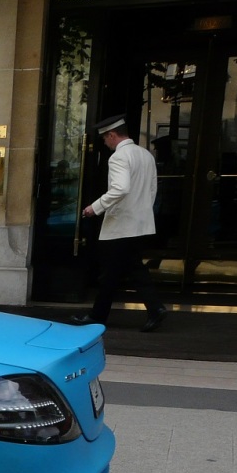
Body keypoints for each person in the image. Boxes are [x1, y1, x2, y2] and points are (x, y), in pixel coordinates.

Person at [74, 114, 168, 333]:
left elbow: (120, 189)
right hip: (139, 223)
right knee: (132, 269)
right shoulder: (145, 155)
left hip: (120, 225)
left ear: (112, 135)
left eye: (105, 139)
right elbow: (152, 190)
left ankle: (98, 316)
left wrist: (94, 207)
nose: (105, 143)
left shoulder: (118, 157)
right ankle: (154, 308)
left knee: (110, 272)